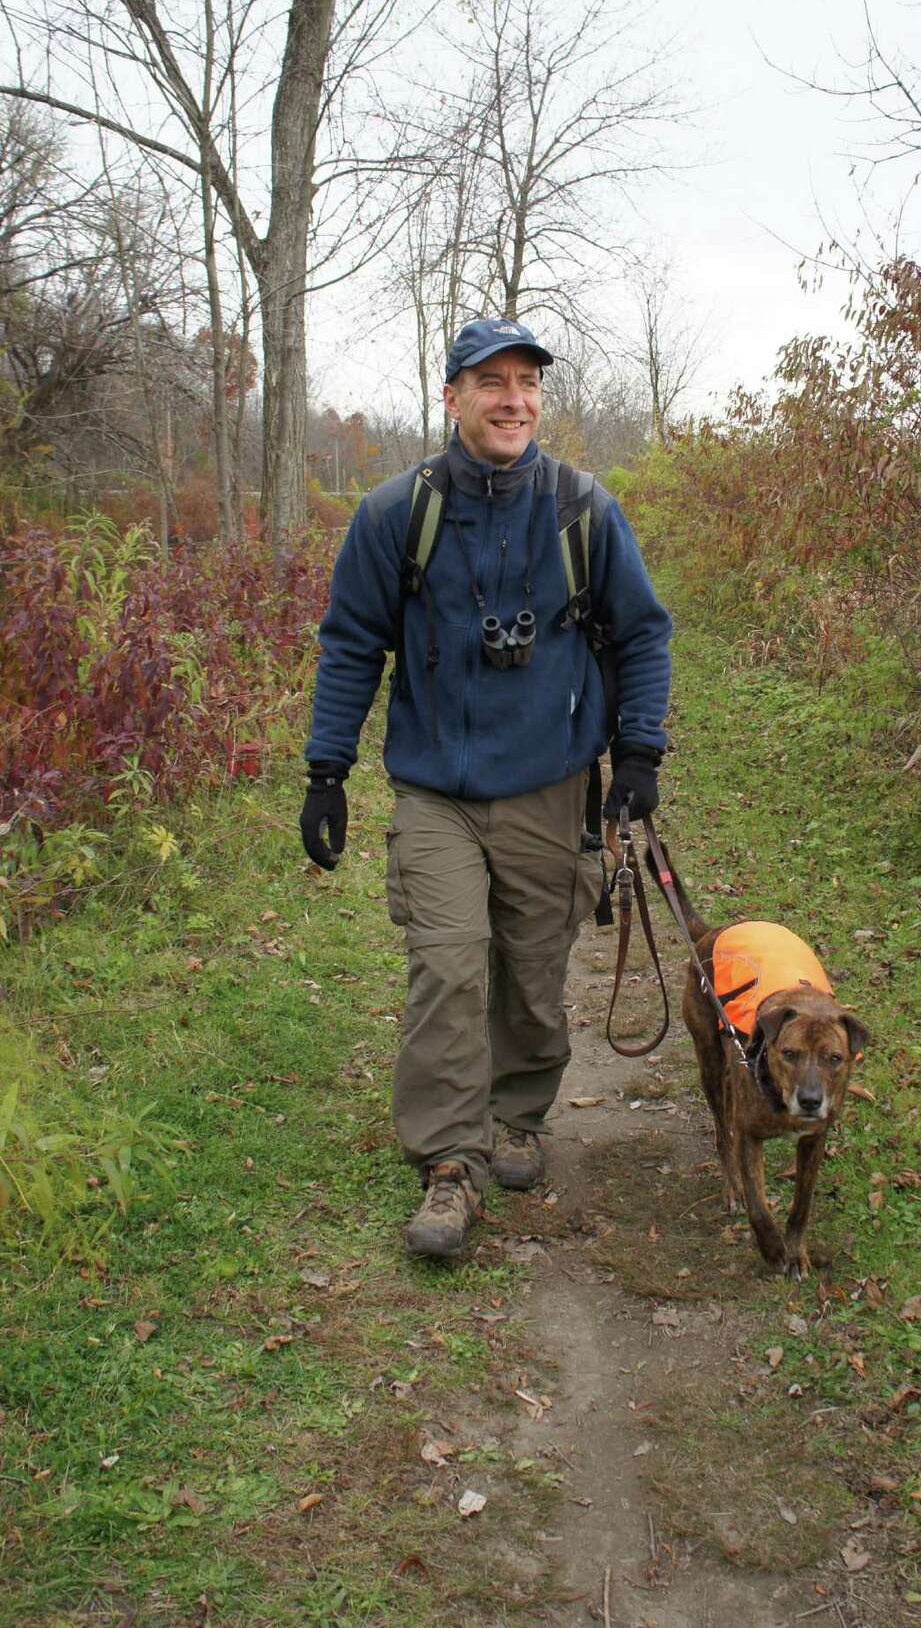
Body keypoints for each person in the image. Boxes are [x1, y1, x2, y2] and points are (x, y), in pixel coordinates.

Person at [300, 318, 672, 1259]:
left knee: (533, 971)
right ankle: (449, 1164)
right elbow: (351, 643)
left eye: (527, 383)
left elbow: (641, 634)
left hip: (550, 785)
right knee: (448, 967)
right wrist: (326, 771)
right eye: (491, 382)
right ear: (453, 396)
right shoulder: (397, 514)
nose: (513, 399)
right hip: (436, 792)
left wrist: (637, 757)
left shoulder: (584, 511)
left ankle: (519, 1113)